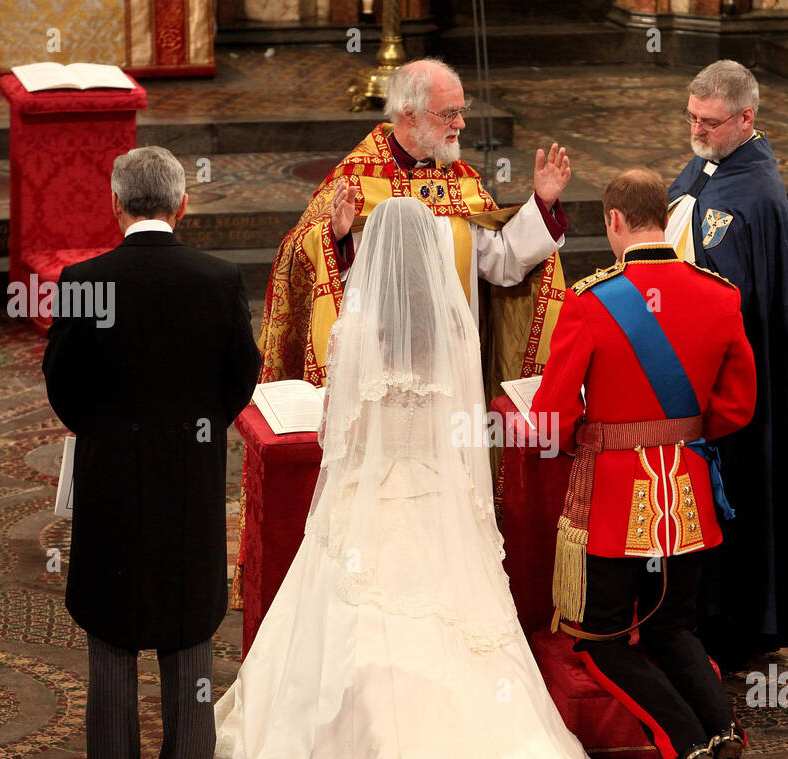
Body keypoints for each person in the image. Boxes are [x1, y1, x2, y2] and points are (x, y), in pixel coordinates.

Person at [213, 197, 707, 759]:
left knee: (359, 640)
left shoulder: (353, 335)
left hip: (369, 507)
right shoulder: (454, 336)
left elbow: (341, 442)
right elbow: (467, 443)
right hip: (440, 508)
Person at [236, 56, 572, 606]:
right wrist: (337, 240)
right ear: (410, 114)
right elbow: (302, 264)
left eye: (462, 113)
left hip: (451, 378)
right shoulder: (355, 180)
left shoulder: (458, 182)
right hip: (381, 379)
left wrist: (543, 206)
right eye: (450, 114)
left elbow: (504, 264)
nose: (461, 125)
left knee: (448, 495)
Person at [43, 146, 261, 759]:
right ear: (182, 204)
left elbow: (62, 387)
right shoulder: (219, 279)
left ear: (116, 204)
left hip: (109, 486)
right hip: (191, 487)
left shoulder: (84, 281)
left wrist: (108, 434)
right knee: (189, 639)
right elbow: (240, 380)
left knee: (110, 641)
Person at [532, 169, 757, 759]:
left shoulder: (590, 298)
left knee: (599, 639)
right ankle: (725, 732)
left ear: (614, 222)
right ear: (666, 214)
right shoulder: (719, 294)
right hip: (687, 491)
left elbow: (551, 417)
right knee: (672, 627)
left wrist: (586, 432)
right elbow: (738, 406)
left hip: (613, 500)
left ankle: (685, 740)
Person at [665, 60, 788, 665]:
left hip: (739, 375)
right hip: (693, 362)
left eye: (710, 122)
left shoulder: (755, 190)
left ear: (746, 118)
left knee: (743, 489)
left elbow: (736, 291)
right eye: (692, 118)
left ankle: (741, 625)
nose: (699, 130)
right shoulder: (707, 166)